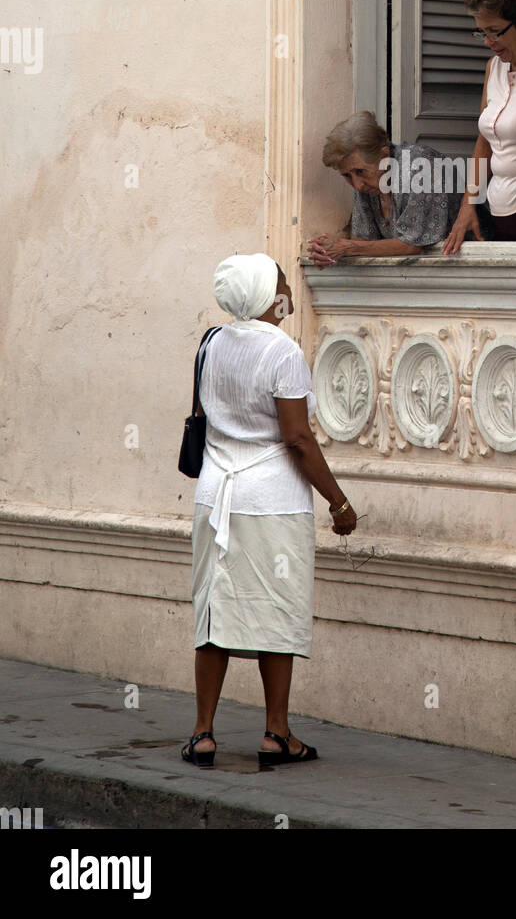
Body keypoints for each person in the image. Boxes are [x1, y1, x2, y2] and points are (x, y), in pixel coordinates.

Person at [182, 252, 357, 767]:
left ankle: (203, 733)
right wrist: (340, 502)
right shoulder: (283, 352)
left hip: (216, 498)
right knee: (276, 614)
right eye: (279, 280)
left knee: (213, 611)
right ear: (264, 294)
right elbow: (298, 439)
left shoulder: (210, 344)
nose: (287, 286)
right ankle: (276, 734)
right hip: (272, 502)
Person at [443, 0, 516, 251]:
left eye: (494, 31)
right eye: (482, 32)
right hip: (498, 215)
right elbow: (485, 143)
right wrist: (468, 205)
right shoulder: (493, 68)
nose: (487, 42)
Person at [306, 110, 464, 268]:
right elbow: (366, 240)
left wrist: (347, 247)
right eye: (347, 175)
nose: (357, 185)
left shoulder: (420, 165)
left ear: (384, 156)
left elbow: (411, 244)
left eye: (360, 171)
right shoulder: (368, 182)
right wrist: (328, 248)